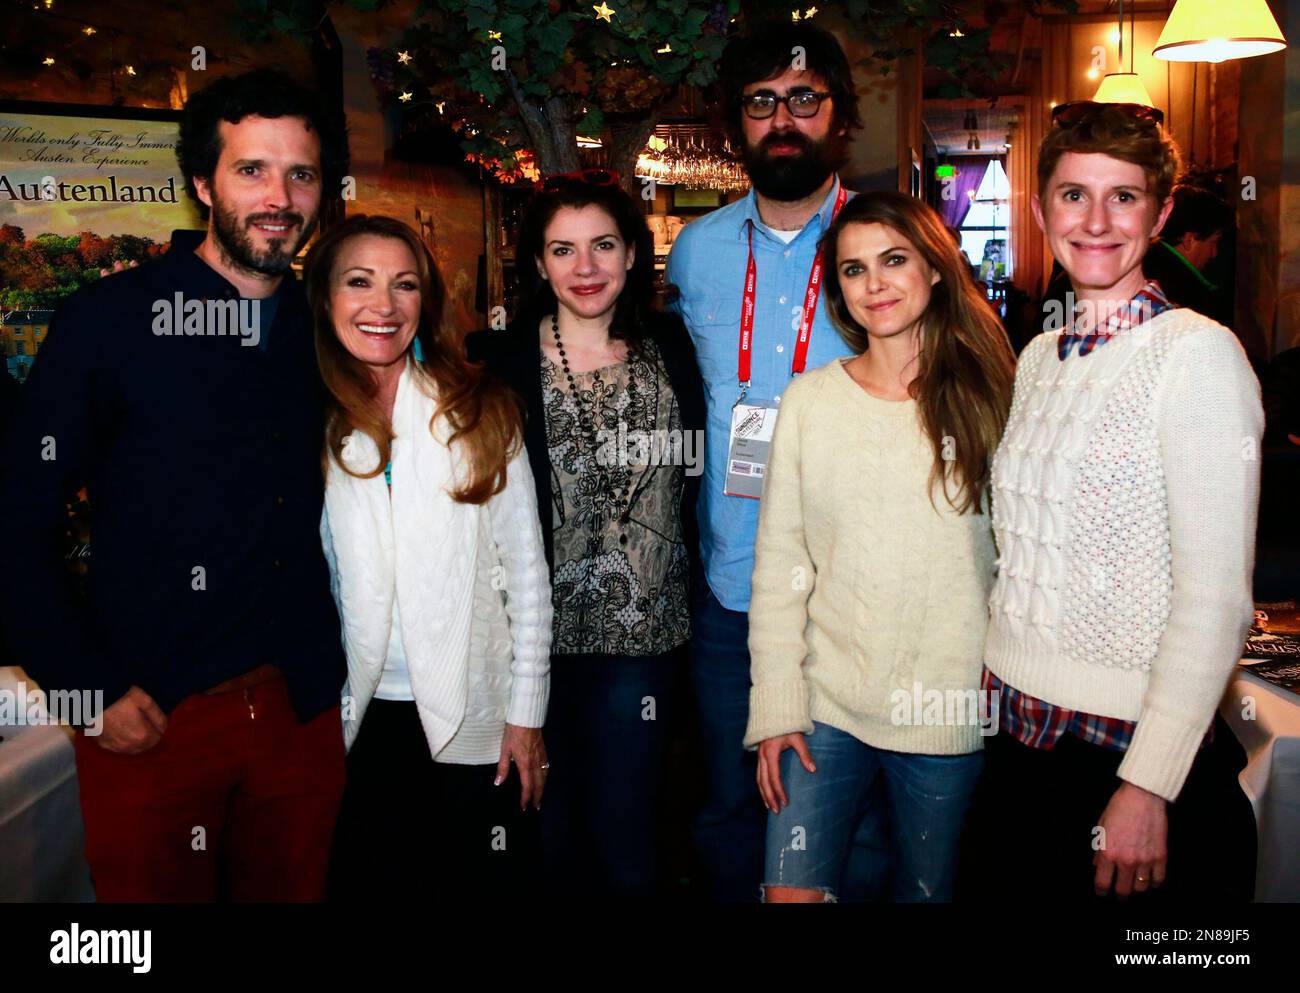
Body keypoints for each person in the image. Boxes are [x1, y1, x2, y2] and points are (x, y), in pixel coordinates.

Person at [0, 69, 351, 901]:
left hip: (300, 710)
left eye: (300, 173)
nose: (280, 195)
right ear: (202, 185)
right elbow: (15, 522)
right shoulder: (108, 322)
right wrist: (87, 693)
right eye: (252, 170)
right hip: (148, 717)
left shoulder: (326, 323)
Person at [962, 101, 1262, 902]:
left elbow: (1215, 598)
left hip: (1125, 758)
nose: (1096, 221)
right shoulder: (1038, 356)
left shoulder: (1196, 355)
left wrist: (1150, 783)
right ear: (1039, 210)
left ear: (1161, 212)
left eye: (1123, 197)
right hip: (1018, 741)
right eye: (1073, 195)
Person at [745, 192, 1015, 903]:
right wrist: (776, 707)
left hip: (947, 710)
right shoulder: (810, 401)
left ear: (934, 267)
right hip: (827, 706)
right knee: (788, 894)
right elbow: (779, 569)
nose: (875, 284)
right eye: (854, 269)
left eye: (894, 260)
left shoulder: (994, 396)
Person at [466, 170, 705, 898]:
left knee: (630, 829)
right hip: (537, 640)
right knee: (547, 826)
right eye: (563, 250)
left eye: (603, 244)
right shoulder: (499, 362)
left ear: (633, 252)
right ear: (537, 263)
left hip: (645, 637)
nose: (586, 267)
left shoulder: (673, 342)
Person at [664, 20, 861, 903]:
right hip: (733, 589)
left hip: (856, 592)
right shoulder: (698, 252)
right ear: (737, 123)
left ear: (839, 116)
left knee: (851, 825)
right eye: (761, 102)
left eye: (805, 99)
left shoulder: (890, 245)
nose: (783, 119)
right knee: (728, 809)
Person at [312, 215, 552, 901]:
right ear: (326, 298)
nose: (382, 305)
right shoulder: (308, 417)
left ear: (427, 301)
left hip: (475, 711)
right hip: (357, 716)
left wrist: (526, 714)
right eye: (359, 282)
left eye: (404, 285)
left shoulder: (479, 408)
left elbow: (527, 577)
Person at [1141, 183, 1233, 326]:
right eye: (1213, 242)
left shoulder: (1142, 268)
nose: (1214, 253)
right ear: (1189, 240)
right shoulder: (1189, 300)